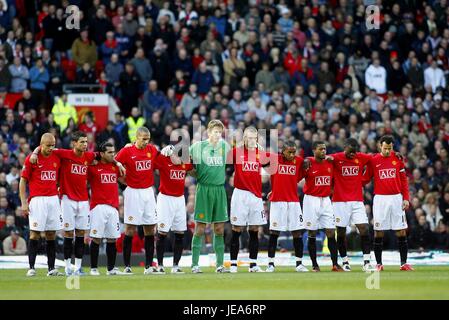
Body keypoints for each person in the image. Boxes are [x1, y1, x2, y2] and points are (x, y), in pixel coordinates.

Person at [29, 131, 125, 275]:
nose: (85, 145)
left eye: (86, 142)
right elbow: (46, 147)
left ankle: (78, 267)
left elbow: (105, 154)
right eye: (82, 142)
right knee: (68, 233)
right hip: (67, 199)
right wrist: (35, 153)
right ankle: (67, 267)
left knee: (80, 233)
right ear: (74, 143)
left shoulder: (89, 156)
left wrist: (118, 163)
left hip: (83, 200)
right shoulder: (64, 154)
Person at [162, 120, 230, 273]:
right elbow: (183, 160)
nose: (217, 134)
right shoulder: (197, 147)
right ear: (208, 132)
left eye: (220, 132)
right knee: (199, 228)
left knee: (219, 229)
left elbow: (241, 155)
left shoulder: (225, 147)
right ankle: (195, 265)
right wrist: (170, 148)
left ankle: (220, 265)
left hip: (219, 190)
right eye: (215, 131)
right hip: (203, 190)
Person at [364, 135, 413, 271]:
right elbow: (366, 178)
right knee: (378, 232)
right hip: (380, 199)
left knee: (401, 231)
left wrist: (406, 198)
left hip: (396, 198)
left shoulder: (397, 159)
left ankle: (403, 263)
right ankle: (379, 264)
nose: (387, 151)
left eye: (389, 148)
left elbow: (404, 180)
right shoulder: (374, 160)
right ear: (380, 146)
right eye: (385, 148)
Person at [115, 126, 160, 274]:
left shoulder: (152, 150)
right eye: (143, 139)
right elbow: (113, 165)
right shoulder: (127, 151)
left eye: (148, 139)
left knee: (150, 228)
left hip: (148, 192)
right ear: (136, 137)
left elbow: (161, 162)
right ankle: (127, 266)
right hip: (133, 192)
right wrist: (123, 182)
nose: (146, 142)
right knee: (130, 228)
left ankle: (148, 266)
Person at [326, 138, 374, 271]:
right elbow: (323, 159)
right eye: (350, 152)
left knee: (364, 228)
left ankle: (366, 261)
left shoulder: (361, 157)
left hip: (357, 200)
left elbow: (374, 159)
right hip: (340, 201)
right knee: (340, 231)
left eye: (355, 152)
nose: (353, 154)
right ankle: (345, 261)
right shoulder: (336, 158)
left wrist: (364, 179)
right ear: (345, 148)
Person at [19, 133, 63, 276]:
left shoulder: (57, 157)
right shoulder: (32, 159)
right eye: (48, 145)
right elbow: (23, 181)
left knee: (51, 234)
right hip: (37, 200)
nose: (51, 148)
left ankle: (51, 268)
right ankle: (31, 267)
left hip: (53, 200)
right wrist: (23, 202)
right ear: (41, 144)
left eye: (53, 145)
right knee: (35, 234)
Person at [228, 127, 267, 273]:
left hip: (255, 196)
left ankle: (253, 265)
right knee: (236, 229)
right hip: (240, 194)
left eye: (254, 137)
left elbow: (270, 171)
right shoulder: (236, 152)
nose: (251, 140)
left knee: (254, 230)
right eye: (249, 137)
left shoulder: (260, 154)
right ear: (244, 138)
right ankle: (233, 264)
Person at [265, 140, 308, 273]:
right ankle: (271, 264)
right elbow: (257, 155)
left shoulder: (299, 161)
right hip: (278, 201)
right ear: (282, 151)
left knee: (297, 232)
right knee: (274, 232)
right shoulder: (274, 159)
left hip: (294, 201)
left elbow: (307, 164)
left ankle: (299, 264)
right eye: (289, 152)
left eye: (294, 152)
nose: (292, 155)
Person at [88, 142, 127, 276]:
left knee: (112, 239)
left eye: (113, 152)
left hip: (113, 207)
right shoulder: (93, 167)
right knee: (96, 238)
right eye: (109, 152)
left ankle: (111, 269)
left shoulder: (114, 167)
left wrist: (119, 163)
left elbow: (124, 180)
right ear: (102, 154)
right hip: (98, 206)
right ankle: (93, 268)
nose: (112, 155)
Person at [302, 141, 341, 272]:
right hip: (311, 200)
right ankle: (314, 265)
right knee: (311, 232)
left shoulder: (330, 163)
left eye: (325, 149)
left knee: (331, 231)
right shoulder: (308, 163)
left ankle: (335, 264)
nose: (323, 151)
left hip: (326, 201)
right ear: (314, 150)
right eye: (320, 149)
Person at [154, 150, 193, 274]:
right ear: (171, 154)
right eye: (176, 155)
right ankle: (160, 265)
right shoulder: (164, 160)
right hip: (165, 198)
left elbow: (192, 166)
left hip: (179, 199)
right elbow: (152, 159)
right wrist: (161, 151)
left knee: (180, 233)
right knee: (162, 232)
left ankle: (176, 265)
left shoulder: (185, 164)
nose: (179, 159)